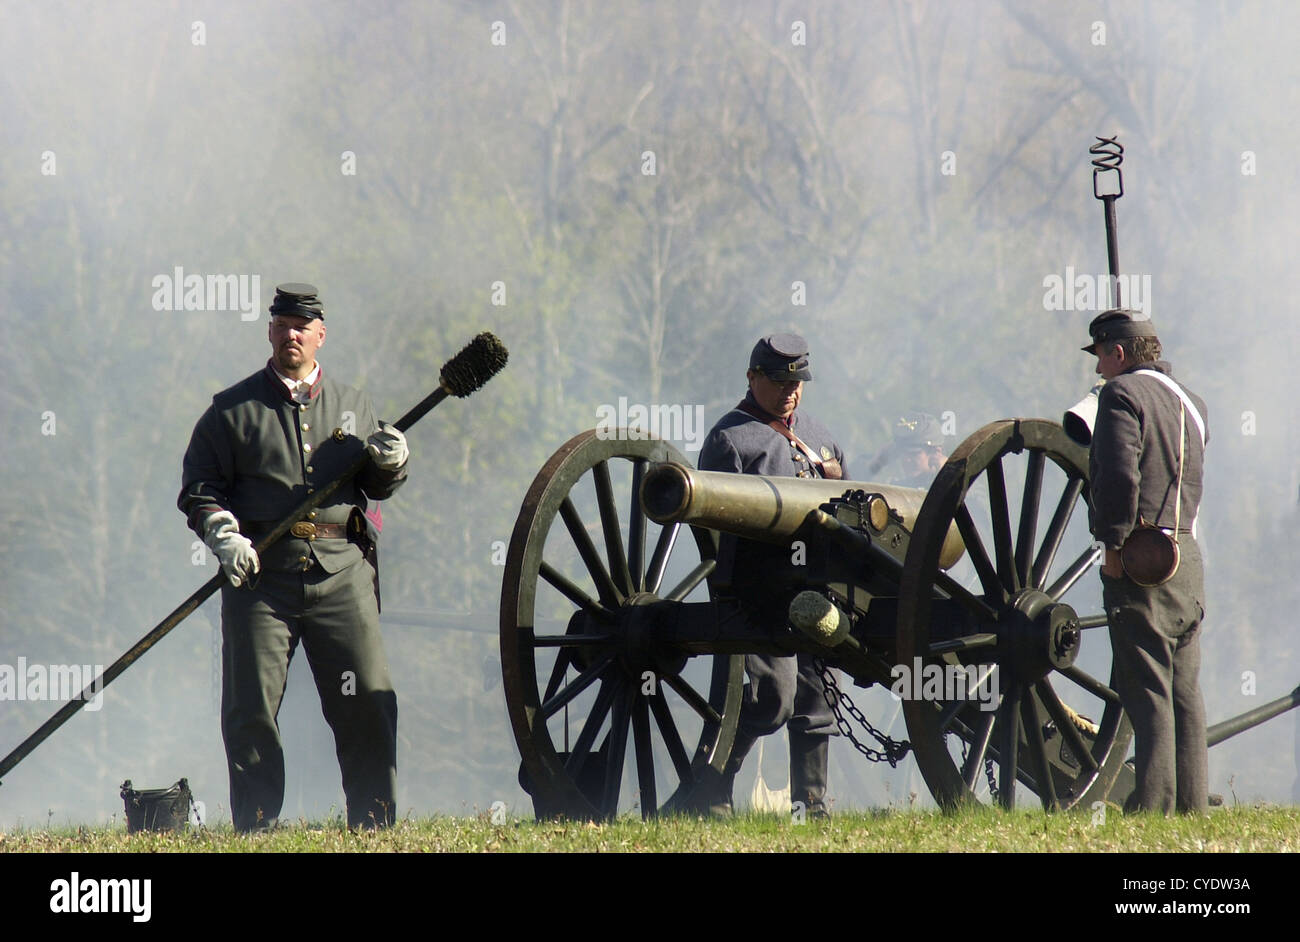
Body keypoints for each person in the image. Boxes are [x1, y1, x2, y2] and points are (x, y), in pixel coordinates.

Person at [179, 283, 409, 830]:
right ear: (270, 331)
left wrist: (392, 463)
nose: (292, 335)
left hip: (342, 572)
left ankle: (375, 825)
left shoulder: (355, 405)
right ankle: (256, 827)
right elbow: (199, 488)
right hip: (262, 579)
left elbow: (376, 486)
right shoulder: (230, 411)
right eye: (282, 325)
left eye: (302, 327)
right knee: (250, 711)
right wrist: (223, 535)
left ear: (320, 335)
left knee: (369, 703)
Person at [693, 333, 848, 818]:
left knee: (818, 699)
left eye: (797, 382)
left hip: (819, 590)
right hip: (758, 594)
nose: (790, 392)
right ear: (752, 378)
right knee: (768, 700)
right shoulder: (729, 440)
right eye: (779, 381)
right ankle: (712, 793)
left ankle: (813, 806)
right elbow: (715, 530)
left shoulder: (820, 436)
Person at [1083, 308, 1208, 814]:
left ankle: (1153, 807)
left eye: (1100, 358)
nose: (1097, 372)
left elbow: (1118, 478)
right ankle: (1192, 805)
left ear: (1118, 352)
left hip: (1142, 558)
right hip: (1189, 557)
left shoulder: (1121, 395)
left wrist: (1113, 547)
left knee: (1147, 687)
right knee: (1184, 692)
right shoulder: (1194, 404)